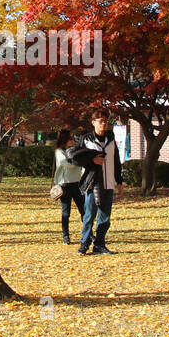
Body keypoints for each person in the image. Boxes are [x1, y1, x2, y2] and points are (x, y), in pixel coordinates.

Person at [69, 108, 122, 255]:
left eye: (105, 121)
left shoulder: (111, 140)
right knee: (89, 215)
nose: (103, 124)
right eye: (100, 121)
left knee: (105, 217)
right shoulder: (86, 139)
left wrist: (120, 181)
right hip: (92, 183)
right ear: (93, 123)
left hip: (108, 182)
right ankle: (84, 243)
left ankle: (99, 244)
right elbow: (73, 157)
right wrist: (92, 160)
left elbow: (116, 161)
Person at [53, 129, 86, 245]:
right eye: (70, 139)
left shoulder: (74, 150)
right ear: (65, 140)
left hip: (77, 183)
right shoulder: (59, 152)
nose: (72, 141)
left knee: (84, 210)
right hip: (65, 185)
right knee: (66, 212)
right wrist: (80, 162)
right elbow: (66, 164)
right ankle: (65, 236)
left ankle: (88, 234)